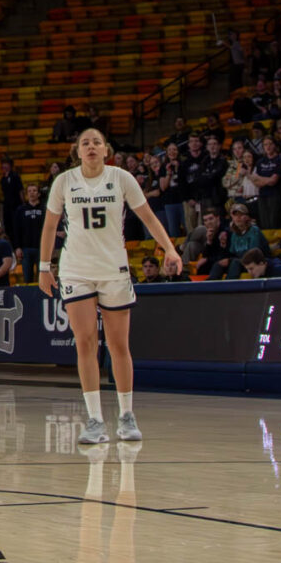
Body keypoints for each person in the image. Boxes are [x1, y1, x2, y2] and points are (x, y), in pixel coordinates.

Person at [39, 127, 183, 445]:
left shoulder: (121, 178)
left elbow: (148, 216)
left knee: (119, 345)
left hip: (113, 270)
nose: (91, 146)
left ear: (107, 150)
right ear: (77, 151)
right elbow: (50, 225)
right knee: (85, 342)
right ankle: (94, 420)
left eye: (96, 142)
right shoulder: (64, 181)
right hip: (75, 271)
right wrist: (43, 267)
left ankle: (127, 416)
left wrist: (170, 248)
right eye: (85, 142)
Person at [208, 202, 268, 278]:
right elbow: (232, 253)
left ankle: (230, 287)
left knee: (235, 262)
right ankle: (210, 286)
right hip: (240, 262)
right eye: (235, 215)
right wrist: (223, 247)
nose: (238, 218)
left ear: (247, 217)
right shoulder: (234, 234)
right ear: (232, 218)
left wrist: (230, 260)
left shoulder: (254, 230)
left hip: (254, 263)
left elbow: (253, 253)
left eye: (241, 215)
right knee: (219, 264)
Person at [16, 183, 45, 284]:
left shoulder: (44, 209)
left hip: (42, 248)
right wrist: (17, 247)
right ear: (26, 194)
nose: (32, 193)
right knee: (27, 279)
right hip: (26, 249)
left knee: (42, 278)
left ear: (39, 194)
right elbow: (17, 229)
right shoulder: (21, 210)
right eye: (29, 191)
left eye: (34, 190)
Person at [0, 158, 24, 246]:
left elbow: (20, 190)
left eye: (6, 164)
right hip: (7, 205)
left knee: (16, 225)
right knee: (8, 226)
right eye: (3, 164)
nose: (4, 166)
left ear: (10, 165)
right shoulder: (3, 178)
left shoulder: (15, 176)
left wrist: (23, 203)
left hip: (16, 204)